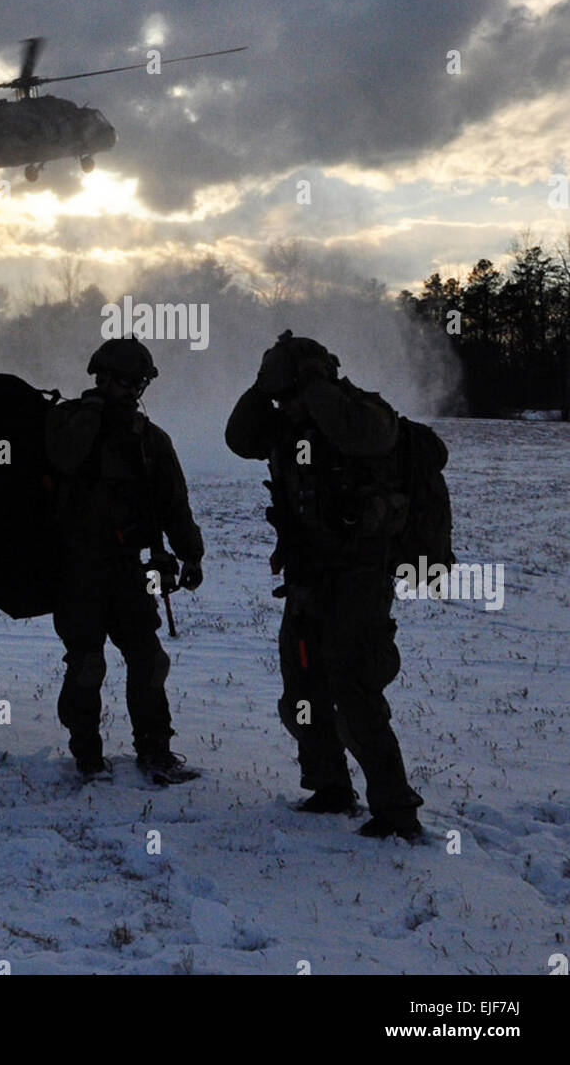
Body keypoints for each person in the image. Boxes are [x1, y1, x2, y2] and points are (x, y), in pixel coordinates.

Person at [225, 331, 424, 842]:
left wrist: (311, 386)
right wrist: (262, 384)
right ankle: (329, 786)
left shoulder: (365, 415)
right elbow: (240, 438)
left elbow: (360, 437)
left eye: (291, 393)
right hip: (307, 578)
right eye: (281, 397)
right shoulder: (286, 426)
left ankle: (396, 809)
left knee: (355, 692)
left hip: (359, 578)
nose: (285, 406)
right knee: (302, 690)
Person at [45, 336, 204, 783]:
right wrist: (95, 414)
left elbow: (173, 503)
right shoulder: (69, 423)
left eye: (139, 382)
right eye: (127, 381)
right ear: (104, 378)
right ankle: (87, 756)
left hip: (129, 568)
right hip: (78, 568)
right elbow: (64, 457)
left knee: (149, 660)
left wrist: (189, 553)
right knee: (87, 662)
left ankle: (155, 751)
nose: (133, 390)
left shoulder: (149, 440)